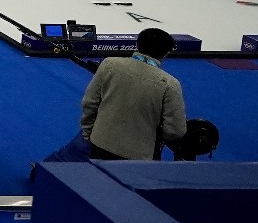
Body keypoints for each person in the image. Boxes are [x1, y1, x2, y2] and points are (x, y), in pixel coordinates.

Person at [80, 28, 187, 160]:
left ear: (137, 44)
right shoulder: (170, 84)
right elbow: (175, 131)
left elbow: (89, 103)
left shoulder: (109, 64)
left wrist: (88, 134)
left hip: (99, 144)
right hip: (140, 157)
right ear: (166, 53)